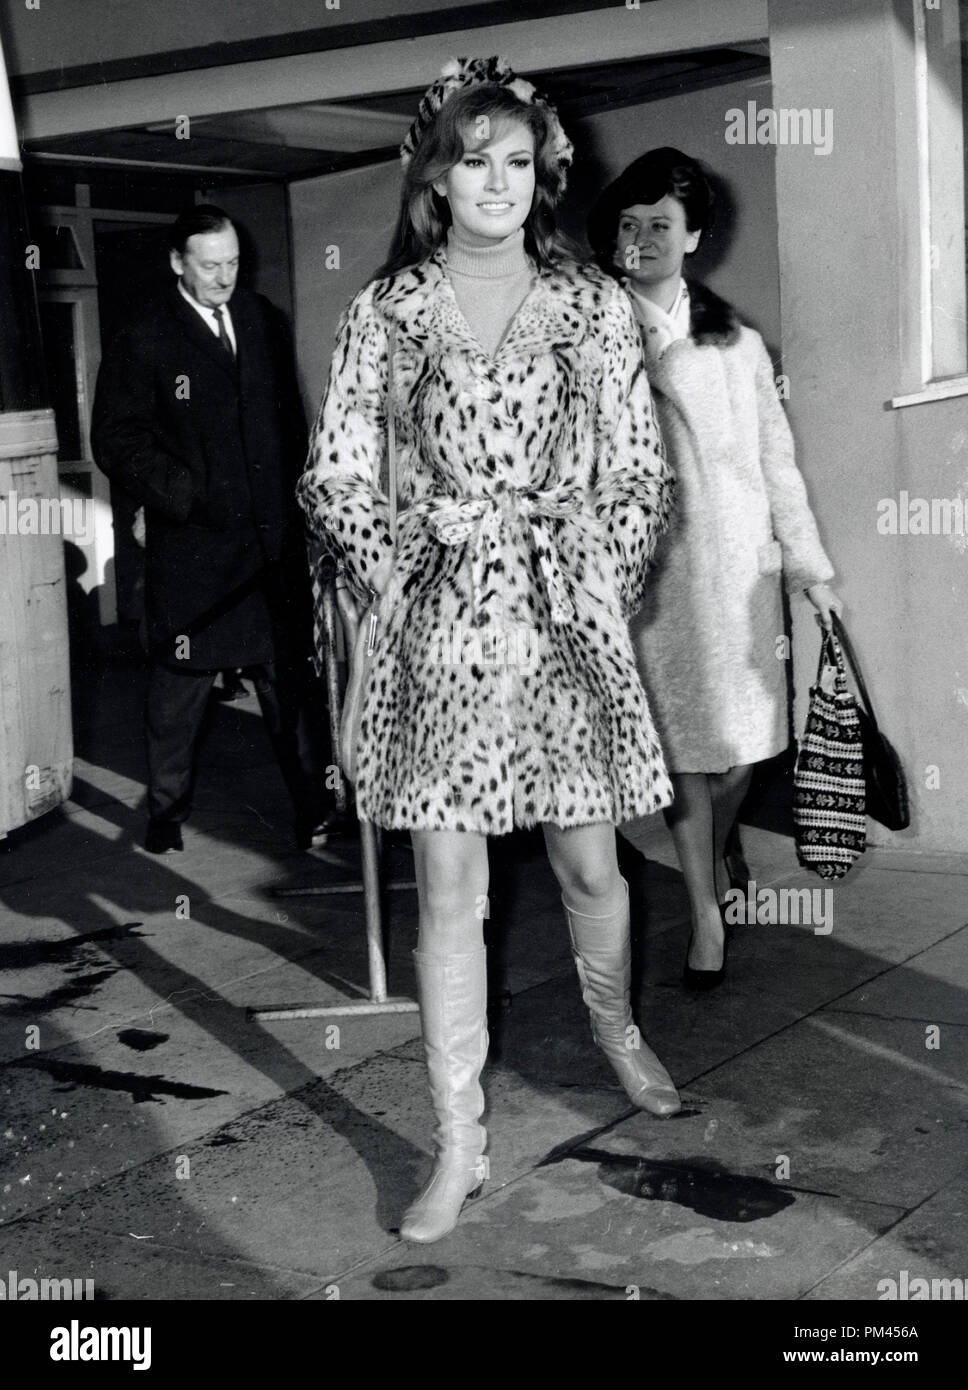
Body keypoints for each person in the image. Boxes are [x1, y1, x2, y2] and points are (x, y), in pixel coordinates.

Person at [298, 57, 680, 1244]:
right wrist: (399, 561)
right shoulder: (388, 311)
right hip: (439, 632)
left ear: (542, 174)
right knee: (448, 892)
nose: (499, 183)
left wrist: (593, 574)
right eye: (477, 160)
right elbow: (335, 469)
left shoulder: (589, 306)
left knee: (587, 868)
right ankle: (457, 1139)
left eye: (520, 162)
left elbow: (636, 470)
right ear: (437, 176)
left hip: (562, 623)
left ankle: (616, 1029)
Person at [588, 148, 843, 988]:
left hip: (740, 577)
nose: (643, 238)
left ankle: (714, 846)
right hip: (653, 581)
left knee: (744, 755)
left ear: (695, 235)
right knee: (683, 755)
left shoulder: (737, 343)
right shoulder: (591, 337)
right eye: (629, 224)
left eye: (661, 224)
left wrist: (810, 570)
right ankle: (705, 916)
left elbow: (778, 463)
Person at [92, 205, 334, 853]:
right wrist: (186, 496)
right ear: (178, 263)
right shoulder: (144, 336)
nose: (225, 277)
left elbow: (292, 423)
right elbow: (115, 440)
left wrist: (306, 506)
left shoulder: (263, 322)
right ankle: (166, 813)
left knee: (291, 689)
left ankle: (315, 808)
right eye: (210, 266)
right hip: (197, 556)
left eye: (231, 263)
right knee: (179, 693)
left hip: (271, 550)